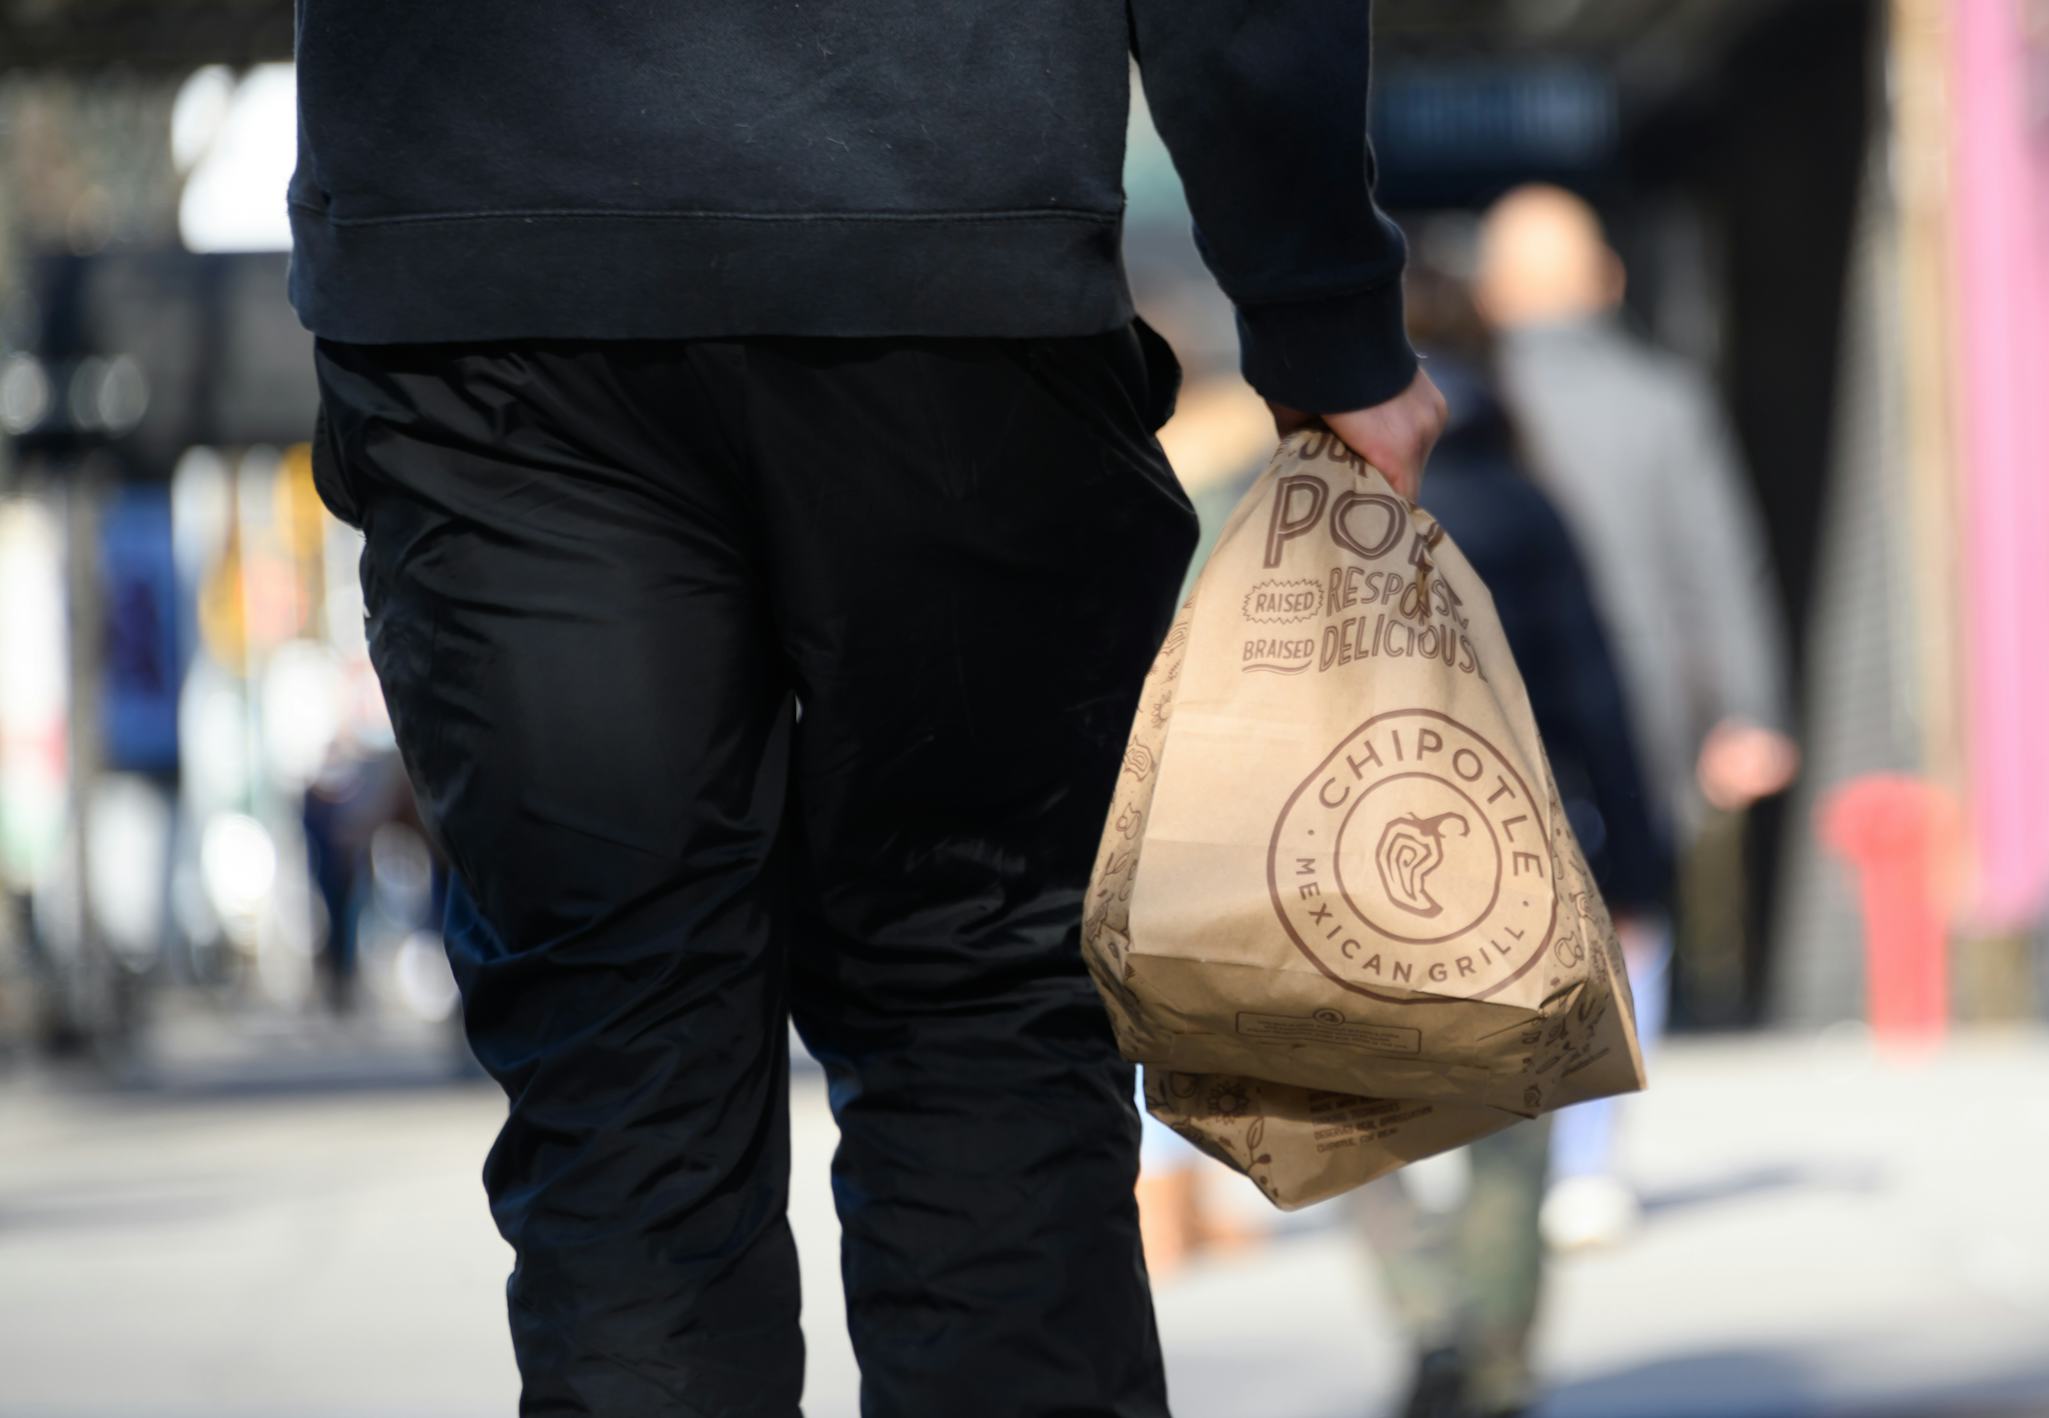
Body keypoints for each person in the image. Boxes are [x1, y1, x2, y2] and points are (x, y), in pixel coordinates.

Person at [288, 5, 1445, 1414]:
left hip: (486, 270)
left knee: (622, 1054)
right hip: (942, 233)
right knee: (981, 1007)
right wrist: (1326, 312)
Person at [1351, 269, 1670, 1418]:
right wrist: (1632, 858)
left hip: (1343, 849)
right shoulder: (1522, 502)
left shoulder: (1296, 498)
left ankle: (1428, 1309)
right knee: (1511, 1114)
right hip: (1508, 847)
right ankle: (1495, 1351)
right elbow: (1592, 688)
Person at [1474, 184, 1797, 1250]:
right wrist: (1745, 708)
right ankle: (1587, 1162)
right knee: (1626, 918)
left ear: (1490, 290)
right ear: (1605, 281)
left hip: (1489, 694)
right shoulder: (1662, 400)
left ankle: (1506, 1147)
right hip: (1639, 696)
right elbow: (1720, 560)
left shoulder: (1458, 406)